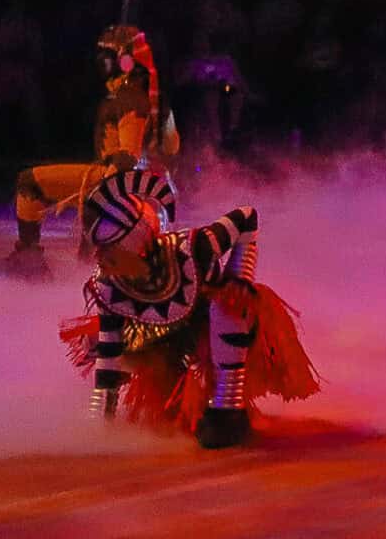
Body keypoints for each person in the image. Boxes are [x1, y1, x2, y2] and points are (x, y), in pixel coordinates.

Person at [60, 171, 319, 448]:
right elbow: (108, 355)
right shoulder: (108, 286)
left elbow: (247, 218)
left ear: (134, 247)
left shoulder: (194, 249)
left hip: (212, 334)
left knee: (228, 306)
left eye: (108, 252)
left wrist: (238, 278)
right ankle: (187, 402)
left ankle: (228, 411)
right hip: (170, 342)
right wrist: (101, 423)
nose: (98, 259)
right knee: (104, 341)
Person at [7, 25, 180, 279]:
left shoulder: (130, 97)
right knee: (90, 261)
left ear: (124, 61)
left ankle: (29, 259)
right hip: (141, 190)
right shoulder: (150, 99)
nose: (101, 63)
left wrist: (100, 199)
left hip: (117, 186)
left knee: (28, 182)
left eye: (106, 57)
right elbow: (172, 147)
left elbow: (126, 159)